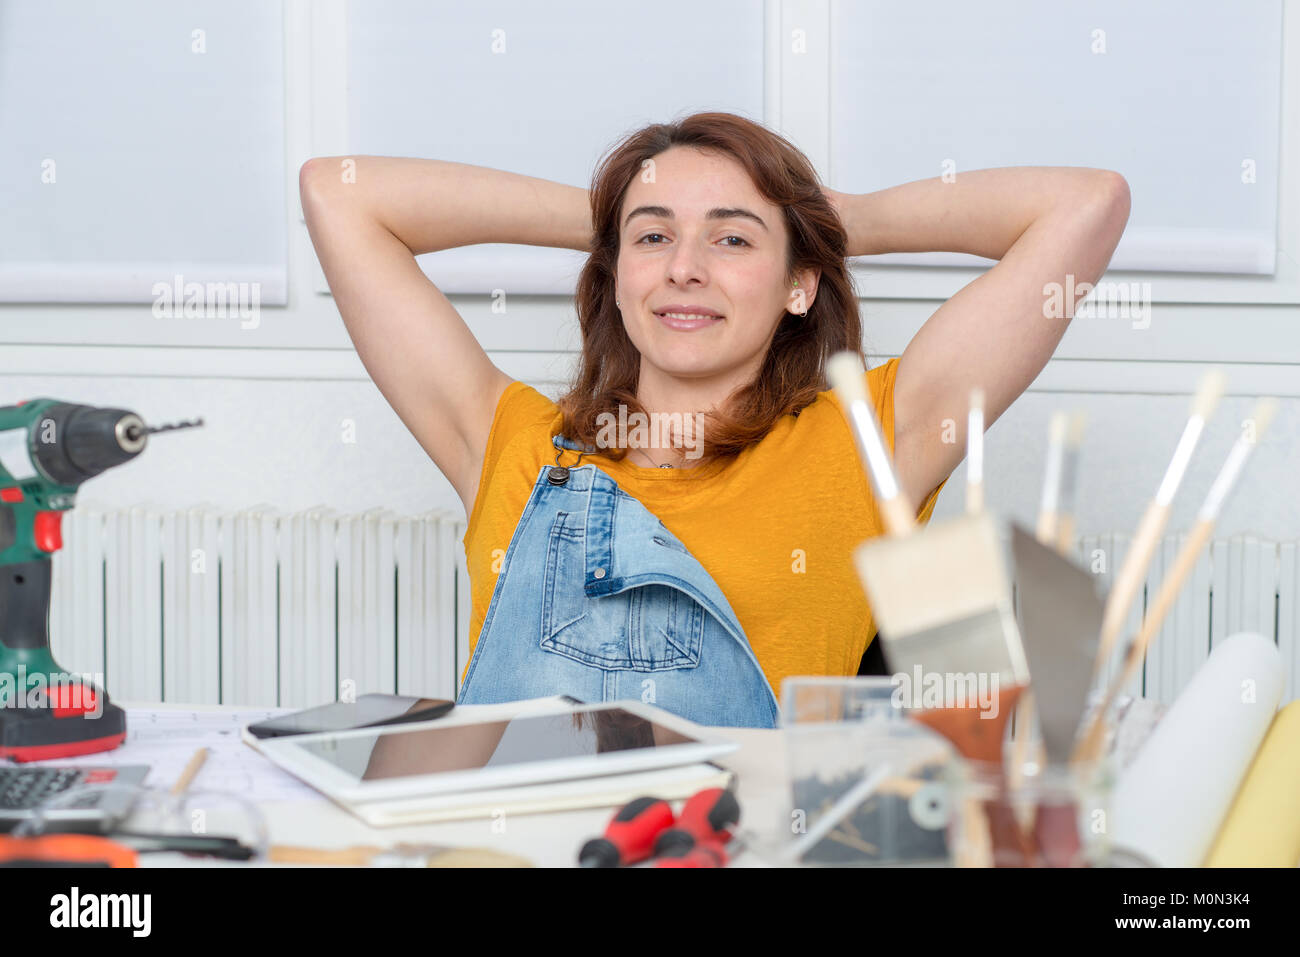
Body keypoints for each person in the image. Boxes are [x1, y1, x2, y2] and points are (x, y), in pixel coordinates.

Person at [300, 112, 1130, 729]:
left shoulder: (870, 442)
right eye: (654, 240)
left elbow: (1086, 205)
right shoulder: (508, 438)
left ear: (800, 285)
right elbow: (339, 195)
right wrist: (619, 211)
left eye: (733, 243)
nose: (687, 269)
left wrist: (826, 221)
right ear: (614, 273)